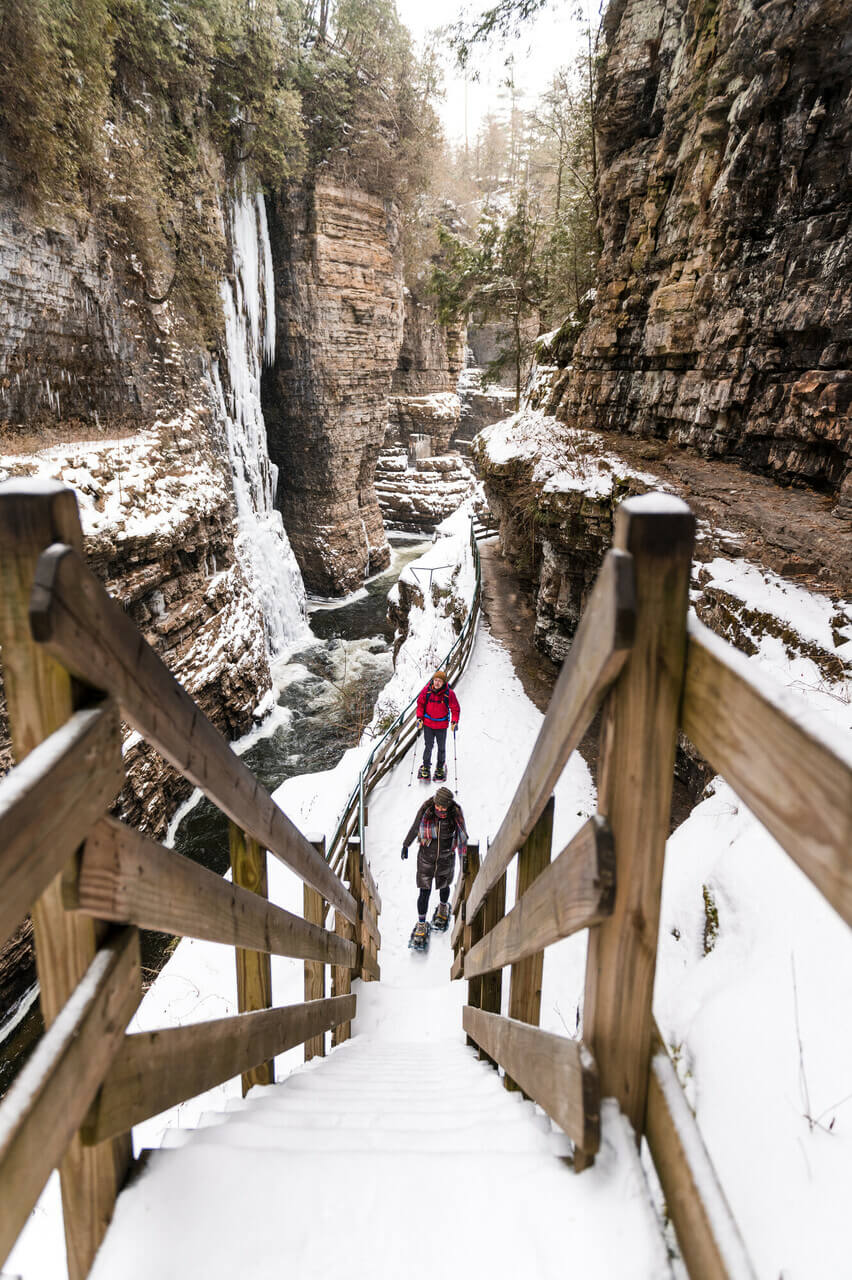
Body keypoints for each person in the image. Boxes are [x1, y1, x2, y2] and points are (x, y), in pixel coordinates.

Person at [401, 785, 467, 949]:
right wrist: (406, 844)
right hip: (425, 859)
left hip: (446, 858)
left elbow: (462, 837)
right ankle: (421, 923)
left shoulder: (454, 815)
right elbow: (416, 827)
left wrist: (463, 859)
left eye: (443, 806)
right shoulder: (427, 811)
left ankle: (443, 908)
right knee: (424, 892)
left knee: (444, 887)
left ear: (449, 806)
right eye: (438, 805)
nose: (439, 808)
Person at [415, 668, 459, 781]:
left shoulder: (449, 694)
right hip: (428, 725)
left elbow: (455, 709)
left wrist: (454, 721)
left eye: (439, 681)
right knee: (428, 746)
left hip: (441, 726)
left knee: (441, 748)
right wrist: (419, 718)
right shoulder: (426, 691)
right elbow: (420, 704)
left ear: (443, 682)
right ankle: (426, 766)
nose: (437, 683)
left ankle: (439, 768)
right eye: (435, 680)